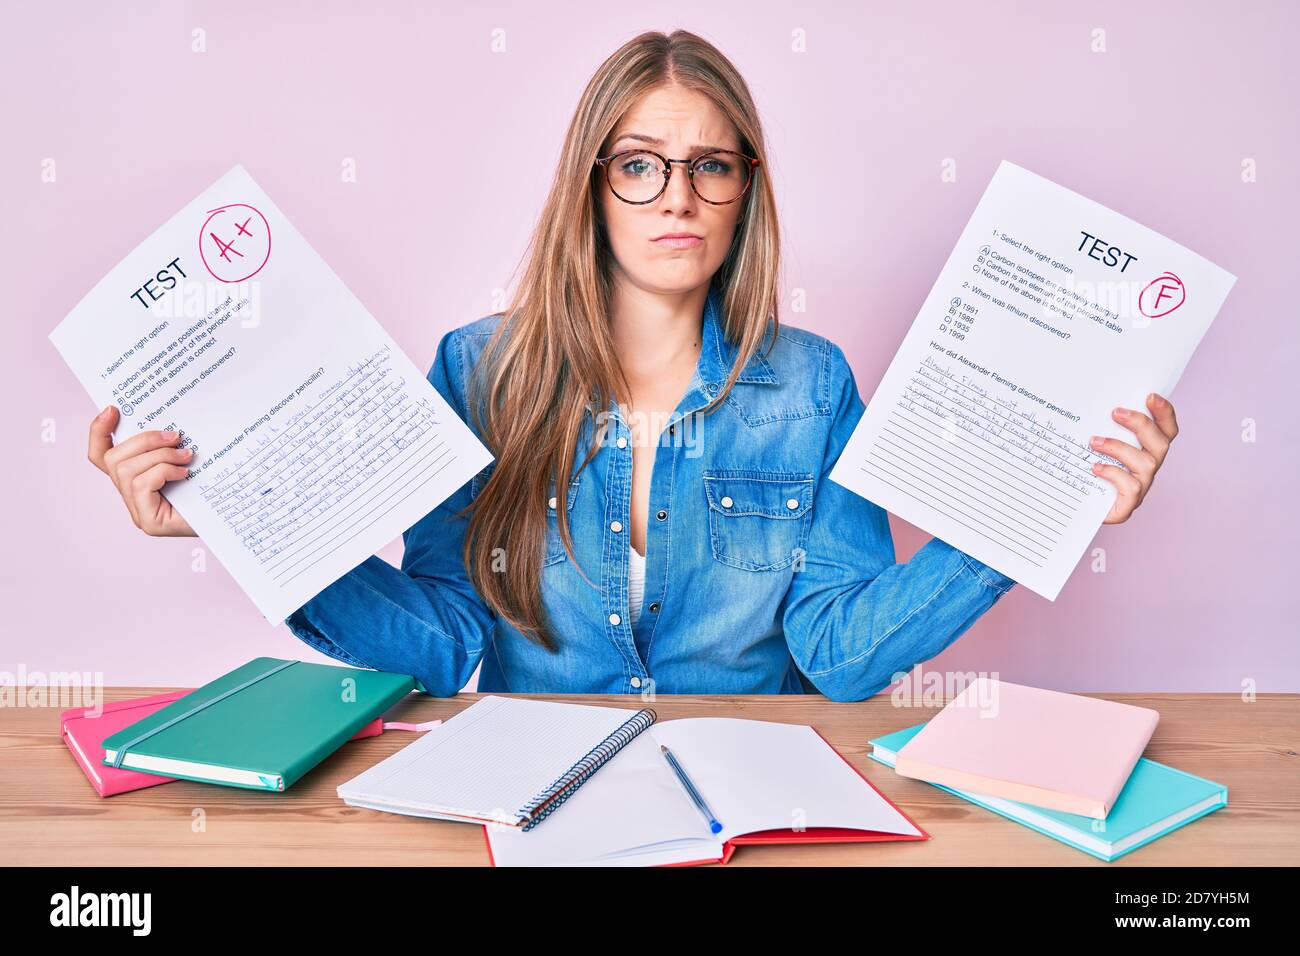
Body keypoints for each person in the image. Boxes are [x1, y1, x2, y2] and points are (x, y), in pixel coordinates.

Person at [86, 30, 1180, 700]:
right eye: (640, 165)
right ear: (592, 186)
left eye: (711, 163)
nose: (677, 194)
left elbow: (842, 653)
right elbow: (439, 643)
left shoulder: (811, 385)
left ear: (746, 186)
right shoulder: (479, 369)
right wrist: (247, 524)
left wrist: (1044, 504)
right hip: (532, 800)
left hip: (755, 803)